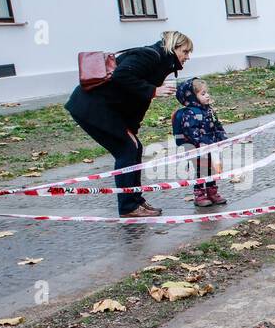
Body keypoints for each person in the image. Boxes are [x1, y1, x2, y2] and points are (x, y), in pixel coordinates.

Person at [64, 31, 193, 217]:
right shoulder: (149, 55)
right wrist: (154, 90)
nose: (187, 56)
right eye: (185, 51)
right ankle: (128, 206)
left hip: (105, 109)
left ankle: (135, 200)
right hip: (91, 108)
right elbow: (121, 75)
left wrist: (132, 128)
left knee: (134, 147)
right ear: (173, 47)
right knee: (127, 150)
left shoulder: (160, 62)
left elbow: (137, 100)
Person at [172, 77, 228, 207]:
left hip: (211, 146)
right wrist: (200, 143)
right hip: (198, 148)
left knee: (212, 169)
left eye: (207, 92)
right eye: (203, 94)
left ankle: (212, 192)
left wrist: (223, 138)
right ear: (192, 96)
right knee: (201, 170)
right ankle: (199, 195)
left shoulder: (209, 110)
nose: (207, 95)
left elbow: (217, 125)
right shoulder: (189, 113)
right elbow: (190, 130)